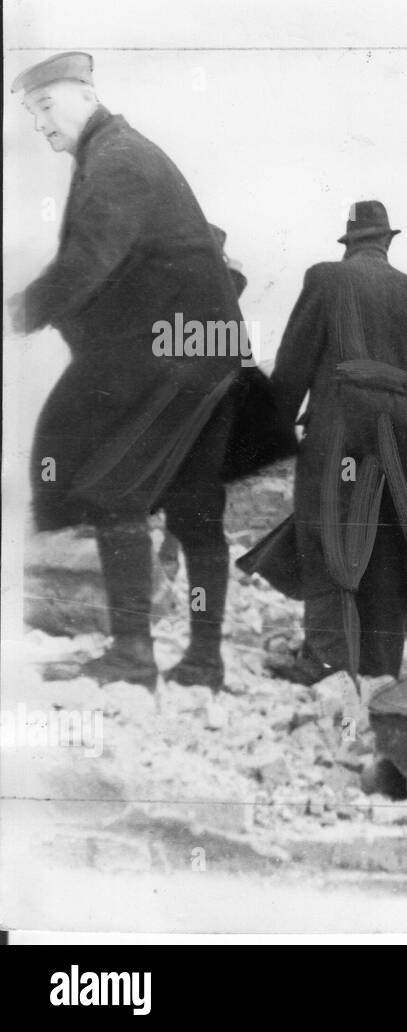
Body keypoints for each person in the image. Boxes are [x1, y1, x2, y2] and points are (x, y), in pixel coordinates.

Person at [7, 52, 244, 690]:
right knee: (195, 507)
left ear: (85, 95)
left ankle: (133, 653)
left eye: (45, 106)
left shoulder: (117, 160)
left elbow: (90, 261)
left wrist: (18, 314)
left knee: (113, 490)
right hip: (206, 350)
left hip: (176, 354)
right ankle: (204, 659)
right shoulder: (118, 154)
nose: (40, 124)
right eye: (31, 113)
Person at [260, 201, 407, 683]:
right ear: (386, 241)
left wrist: (273, 431)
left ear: (349, 244)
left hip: (339, 427)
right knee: (389, 540)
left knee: (328, 531)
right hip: (401, 436)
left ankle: (327, 661)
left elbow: (293, 365)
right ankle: (381, 667)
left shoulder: (325, 278)